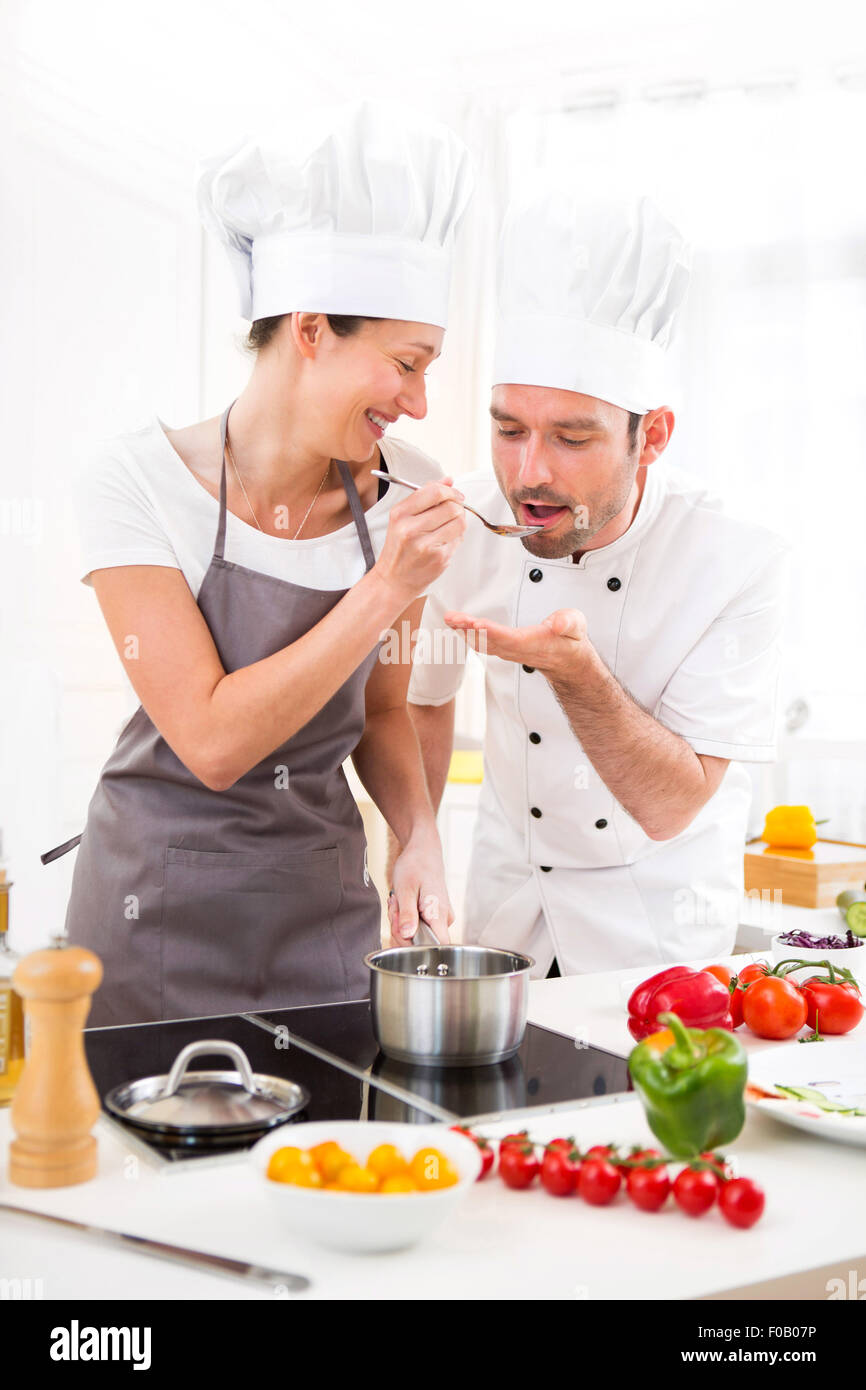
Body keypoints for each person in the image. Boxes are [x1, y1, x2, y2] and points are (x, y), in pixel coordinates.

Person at [42, 102, 474, 1025]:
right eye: (406, 362)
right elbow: (211, 740)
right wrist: (387, 585)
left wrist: (420, 833)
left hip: (322, 922)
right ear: (311, 329)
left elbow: (384, 708)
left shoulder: (406, 491)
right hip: (151, 922)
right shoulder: (135, 482)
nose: (421, 401)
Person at [398, 187, 790, 976]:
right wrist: (420, 840)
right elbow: (425, 701)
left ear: (653, 438)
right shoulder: (463, 518)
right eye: (508, 429)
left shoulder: (734, 558)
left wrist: (574, 672)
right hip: (505, 912)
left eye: (572, 437)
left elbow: (675, 802)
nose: (528, 472)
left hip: (652, 936)